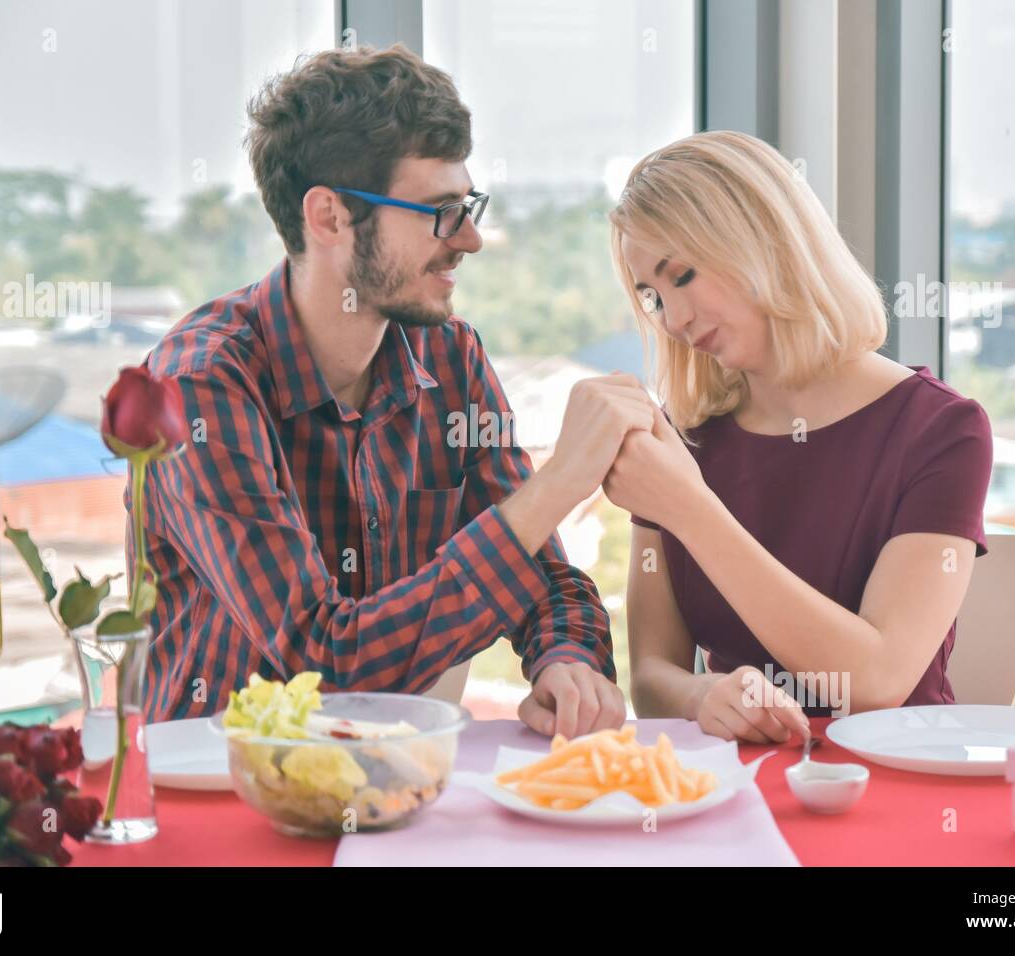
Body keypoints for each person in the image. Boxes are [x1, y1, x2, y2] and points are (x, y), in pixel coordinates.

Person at [130, 44, 643, 736]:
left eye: (468, 206)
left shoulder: (449, 359)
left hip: (396, 786)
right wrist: (559, 484)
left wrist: (564, 660)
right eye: (438, 211)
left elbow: (545, 577)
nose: (470, 240)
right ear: (330, 218)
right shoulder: (200, 387)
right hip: (225, 796)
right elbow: (324, 663)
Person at [601, 130, 993, 744]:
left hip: (894, 784)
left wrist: (690, 507)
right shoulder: (683, 438)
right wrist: (701, 694)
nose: (673, 320)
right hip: (733, 787)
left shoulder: (943, 431)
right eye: (652, 295)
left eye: (682, 275)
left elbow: (874, 681)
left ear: (763, 241)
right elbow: (652, 680)